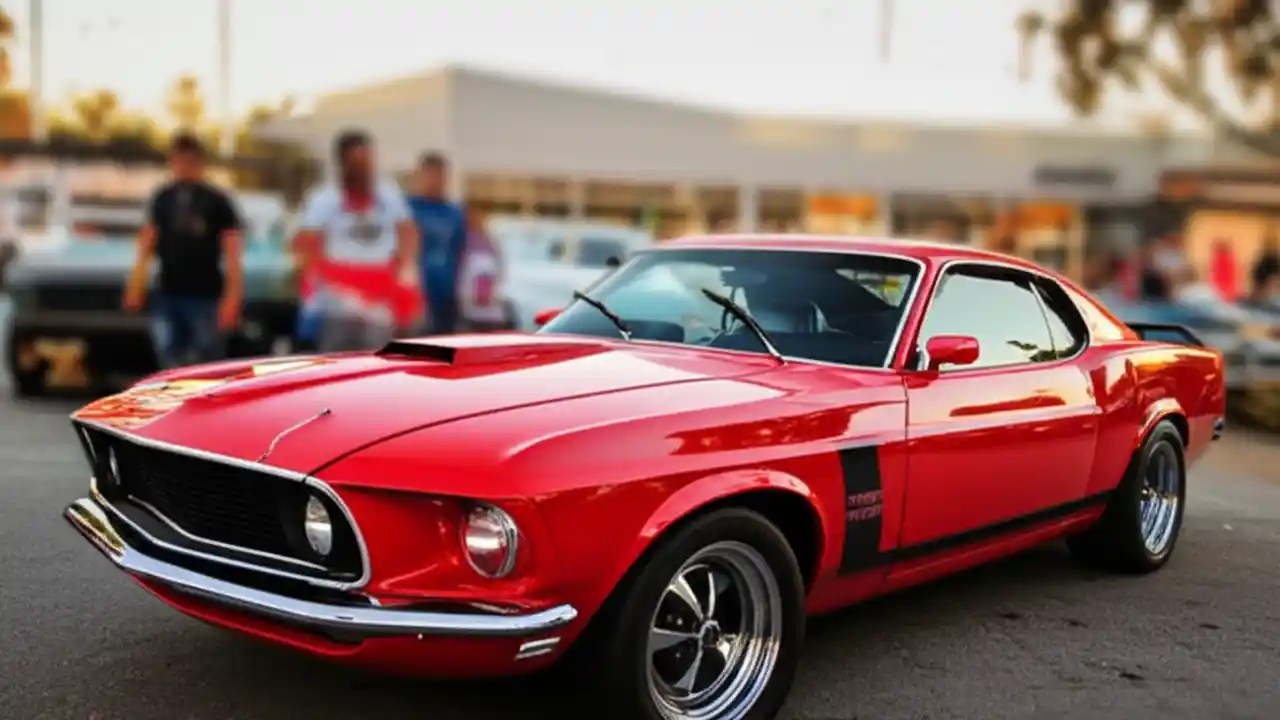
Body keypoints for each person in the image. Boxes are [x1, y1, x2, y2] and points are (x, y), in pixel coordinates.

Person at [292, 130, 420, 352]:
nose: (365, 168)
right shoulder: (324, 199)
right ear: (343, 163)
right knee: (336, 364)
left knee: (376, 362)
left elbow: (408, 234)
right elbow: (308, 245)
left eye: (368, 160)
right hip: (338, 302)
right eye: (358, 161)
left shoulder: (389, 196)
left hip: (380, 302)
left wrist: (404, 275)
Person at [124, 133, 243, 368]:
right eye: (178, 160)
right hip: (168, 291)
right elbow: (147, 244)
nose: (183, 167)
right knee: (169, 360)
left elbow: (232, 253)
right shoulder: (163, 199)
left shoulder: (217, 202)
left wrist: (232, 298)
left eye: (189, 161)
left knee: (204, 364)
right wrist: (136, 284)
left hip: (205, 295)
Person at [407, 152, 467, 335]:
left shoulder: (454, 212)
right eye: (430, 175)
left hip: (446, 294)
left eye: (439, 175)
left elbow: (460, 252)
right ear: (420, 176)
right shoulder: (407, 209)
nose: (434, 180)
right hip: (415, 294)